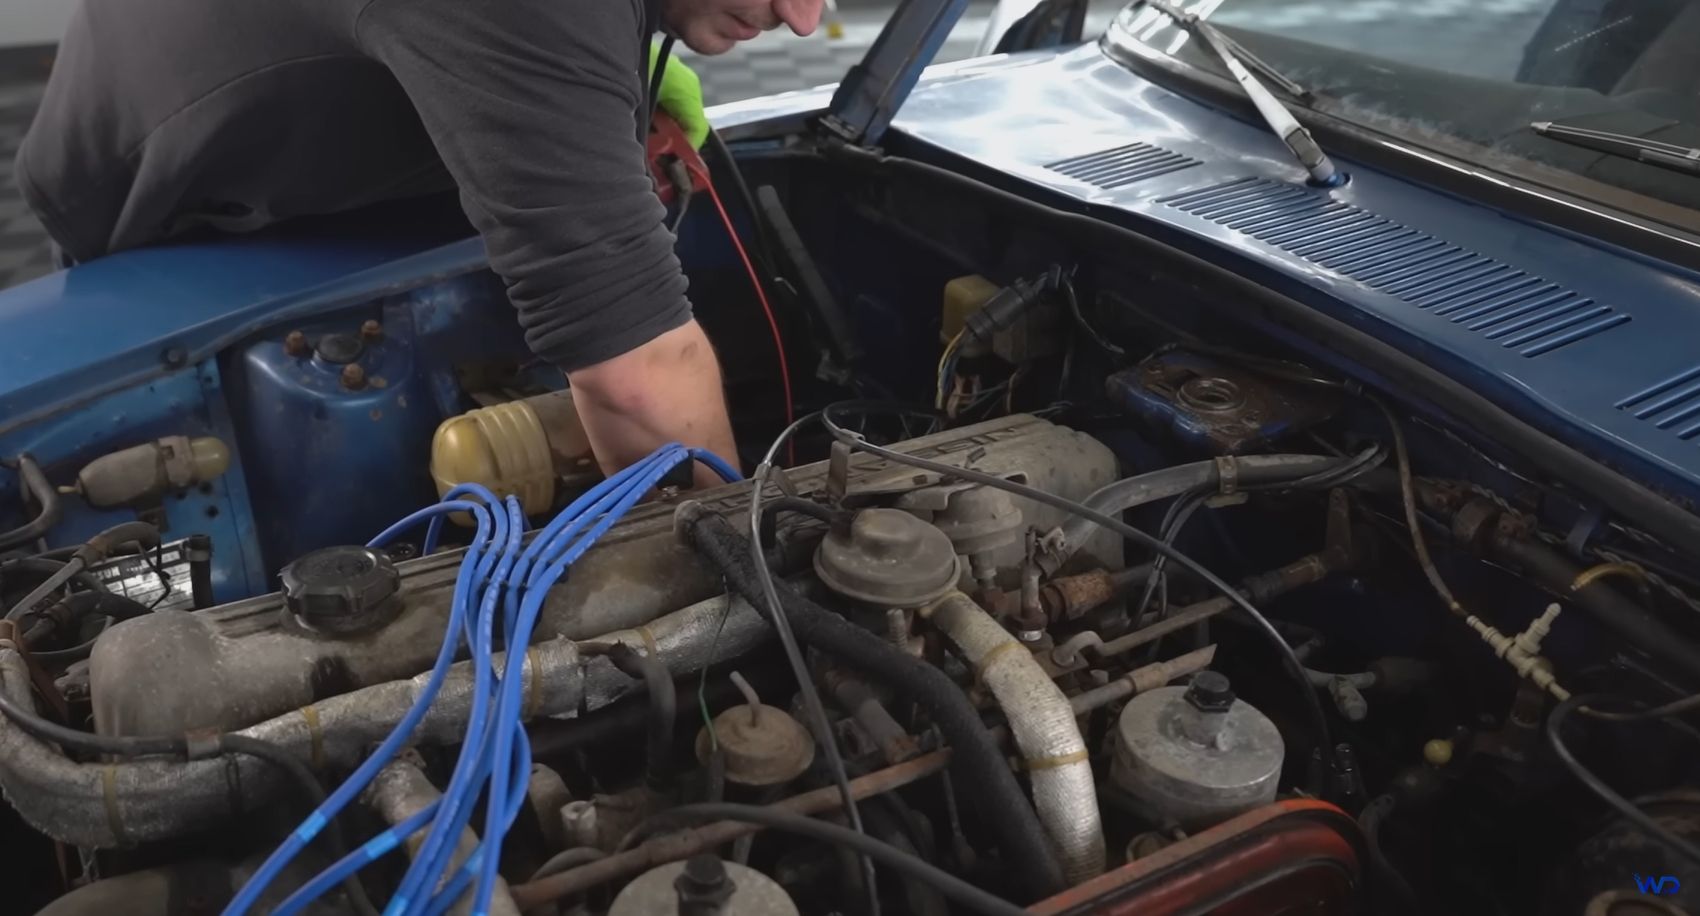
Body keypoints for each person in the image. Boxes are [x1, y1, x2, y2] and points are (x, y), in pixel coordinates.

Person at [13, 0, 824, 483]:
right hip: (175, 214)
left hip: (355, 96)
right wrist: (744, 582)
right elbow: (640, 382)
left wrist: (612, 49)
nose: (805, 16)